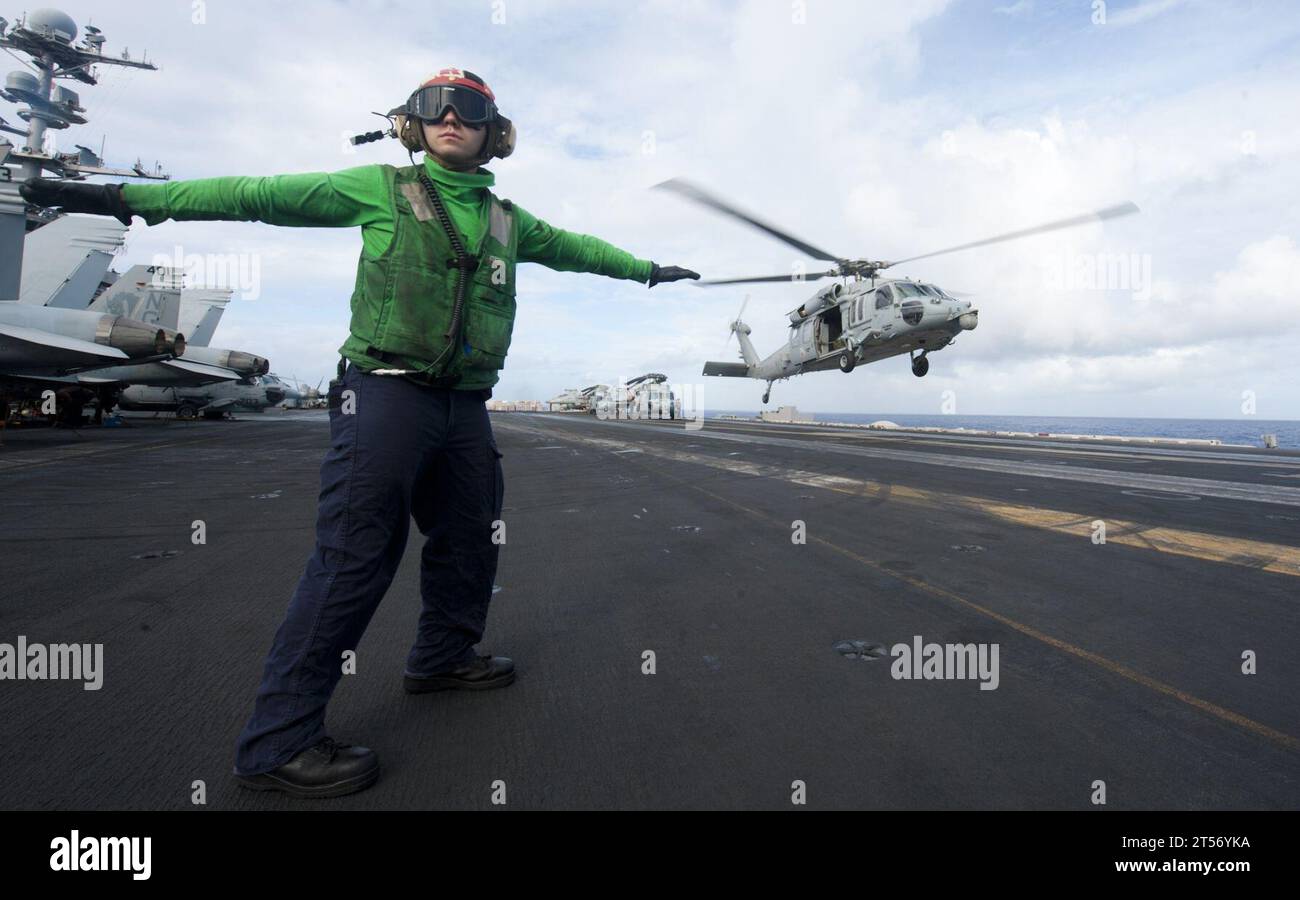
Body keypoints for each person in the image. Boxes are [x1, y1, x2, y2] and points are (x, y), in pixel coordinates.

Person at [21, 67, 699, 798]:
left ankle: (441, 657)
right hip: (385, 395)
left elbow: (576, 248)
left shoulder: (508, 220)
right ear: (412, 123)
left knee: (471, 535)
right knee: (356, 555)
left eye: (468, 109)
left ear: (494, 133)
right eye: (433, 107)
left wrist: (647, 272)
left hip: (465, 405)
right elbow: (255, 196)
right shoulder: (381, 188)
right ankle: (277, 742)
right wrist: (124, 199)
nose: (449, 117)